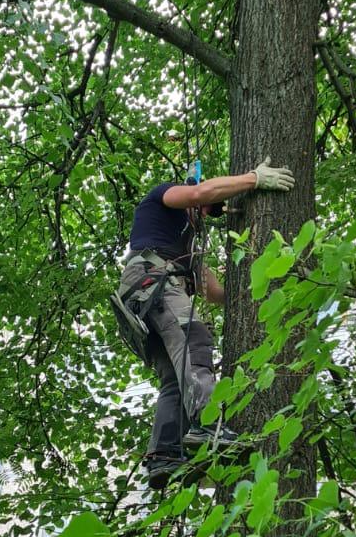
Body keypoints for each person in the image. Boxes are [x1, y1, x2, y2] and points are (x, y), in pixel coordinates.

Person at [115, 160, 295, 489]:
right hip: (150, 282)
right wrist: (254, 179)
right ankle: (209, 424)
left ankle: (164, 456)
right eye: (206, 208)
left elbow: (214, 293)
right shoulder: (163, 198)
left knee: (174, 376)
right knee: (195, 340)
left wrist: (261, 285)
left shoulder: (187, 252)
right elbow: (201, 191)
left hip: (152, 296)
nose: (204, 213)